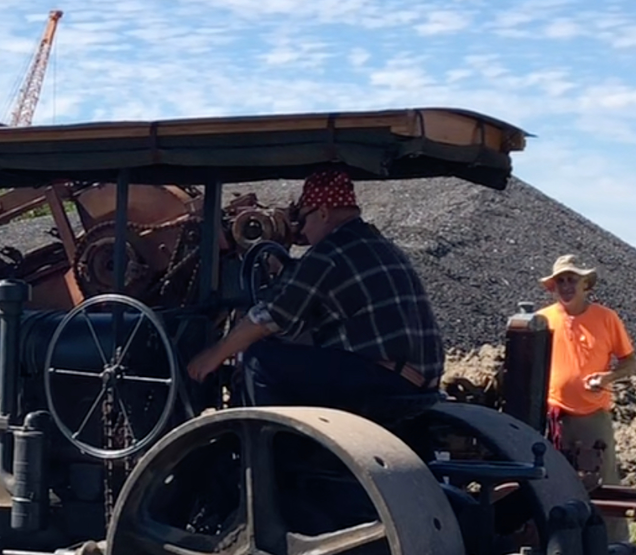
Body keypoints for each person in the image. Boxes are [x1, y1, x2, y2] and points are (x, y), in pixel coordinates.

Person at [185, 168, 444, 410]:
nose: (304, 233)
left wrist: (213, 356)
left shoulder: (330, 252)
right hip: (420, 381)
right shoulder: (378, 245)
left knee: (259, 360)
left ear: (323, 212)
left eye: (303, 219)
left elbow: (269, 319)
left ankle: (265, 450)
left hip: (383, 381)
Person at [536, 254, 636, 543]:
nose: (566, 286)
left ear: (585, 284)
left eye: (572, 280)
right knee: (556, 483)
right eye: (561, 281)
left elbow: (629, 362)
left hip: (592, 416)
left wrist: (607, 378)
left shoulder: (606, 318)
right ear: (553, 287)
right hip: (553, 417)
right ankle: (564, 550)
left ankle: (616, 551)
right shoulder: (544, 319)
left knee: (603, 483)